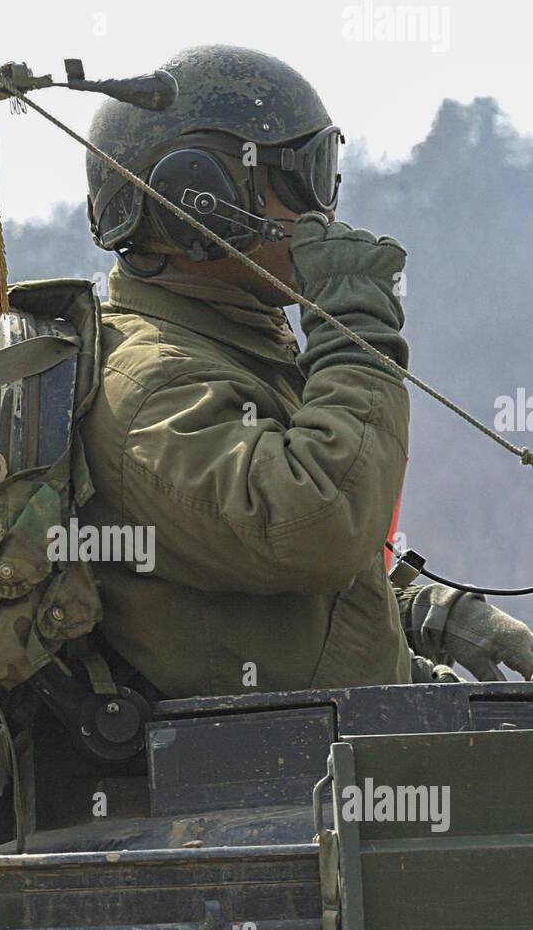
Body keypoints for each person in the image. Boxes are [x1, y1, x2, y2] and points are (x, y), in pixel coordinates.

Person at [81, 44, 533, 697]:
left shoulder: (230, 352)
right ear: (202, 197)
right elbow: (316, 526)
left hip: (313, 755)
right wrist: (355, 334)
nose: (324, 211)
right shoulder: (153, 386)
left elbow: (271, 612)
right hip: (260, 780)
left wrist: (428, 617)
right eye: (306, 175)